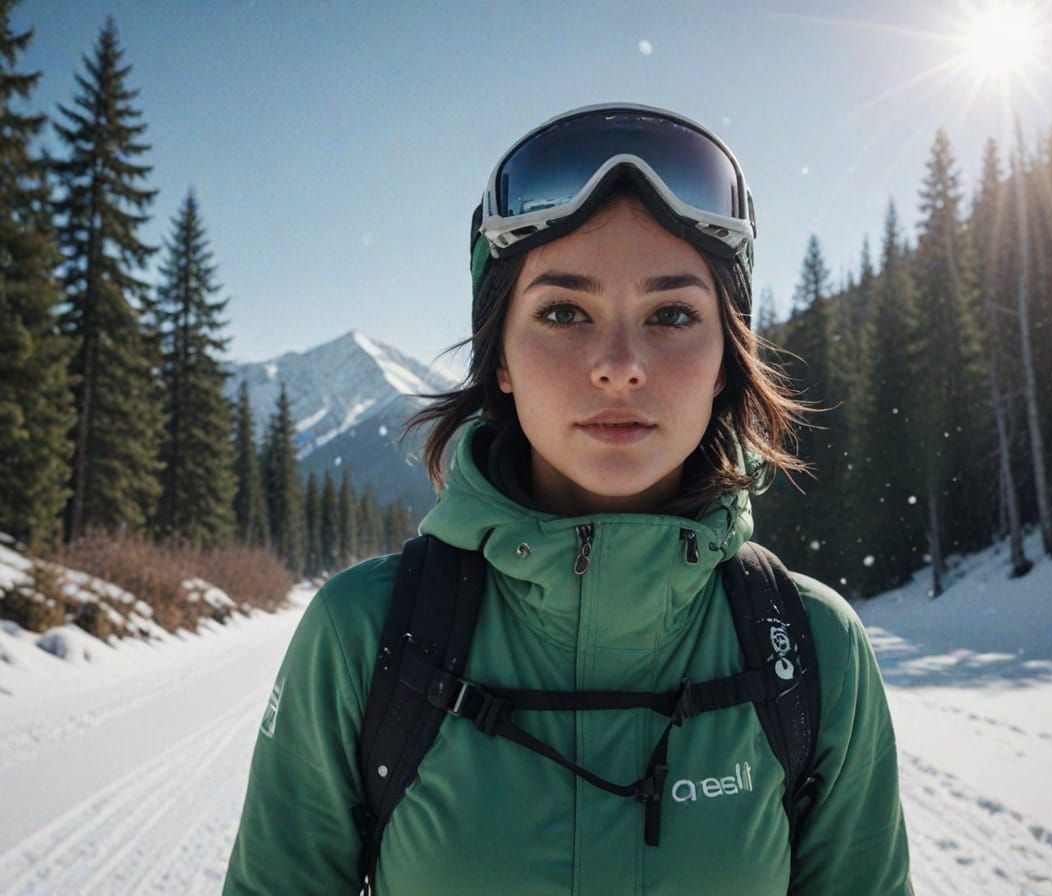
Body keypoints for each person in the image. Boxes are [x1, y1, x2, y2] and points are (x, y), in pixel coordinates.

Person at [224, 103, 914, 895]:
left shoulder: (811, 651)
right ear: (501, 357)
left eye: (672, 315)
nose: (619, 365)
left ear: (725, 357)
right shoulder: (367, 636)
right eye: (563, 312)